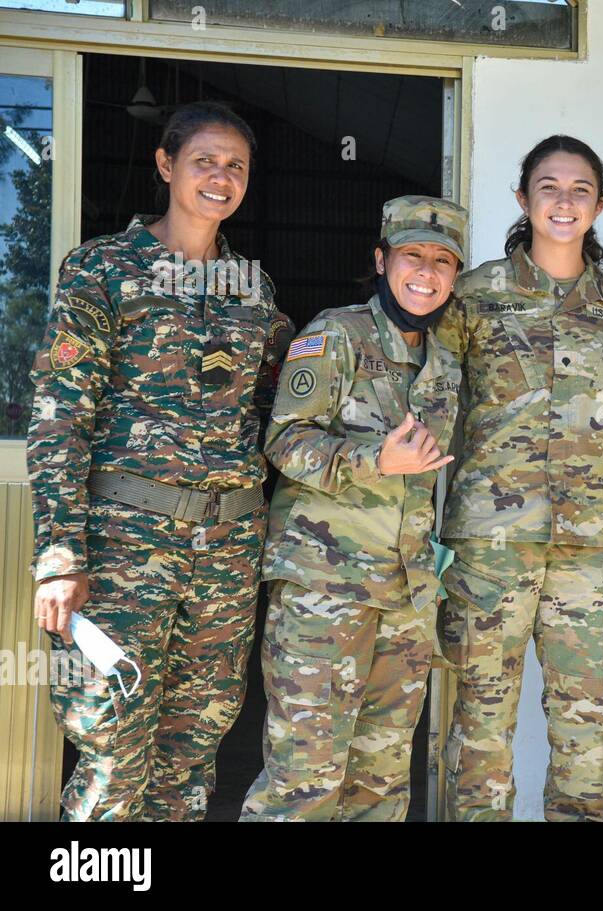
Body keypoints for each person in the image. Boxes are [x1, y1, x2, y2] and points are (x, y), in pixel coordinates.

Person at [27, 101, 293, 820]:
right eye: (204, 159)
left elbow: (279, 415)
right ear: (166, 165)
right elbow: (59, 418)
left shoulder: (253, 289)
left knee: (192, 752)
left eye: (235, 165)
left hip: (226, 553)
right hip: (123, 551)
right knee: (112, 747)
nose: (221, 176)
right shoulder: (102, 269)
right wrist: (58, 555)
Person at [239, 196, 466, 821]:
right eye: (412, 256)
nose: (426, 272)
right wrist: (376, 460)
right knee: (304, 777)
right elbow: (284, 440)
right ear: (381, 260)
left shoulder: (444, 362)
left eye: (443, 260)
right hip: (324, 590)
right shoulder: (335, 334)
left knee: (382, 781)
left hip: (407, 594)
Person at [437, 135, 603, 822]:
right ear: (523, 199)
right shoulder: (473, 294)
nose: (563, 201)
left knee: (586, 732)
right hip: (490, 551)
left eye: (579, 189)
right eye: (547, 187)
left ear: (600, 205)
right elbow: (436, 408)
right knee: (481, 732)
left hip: (587, 557)